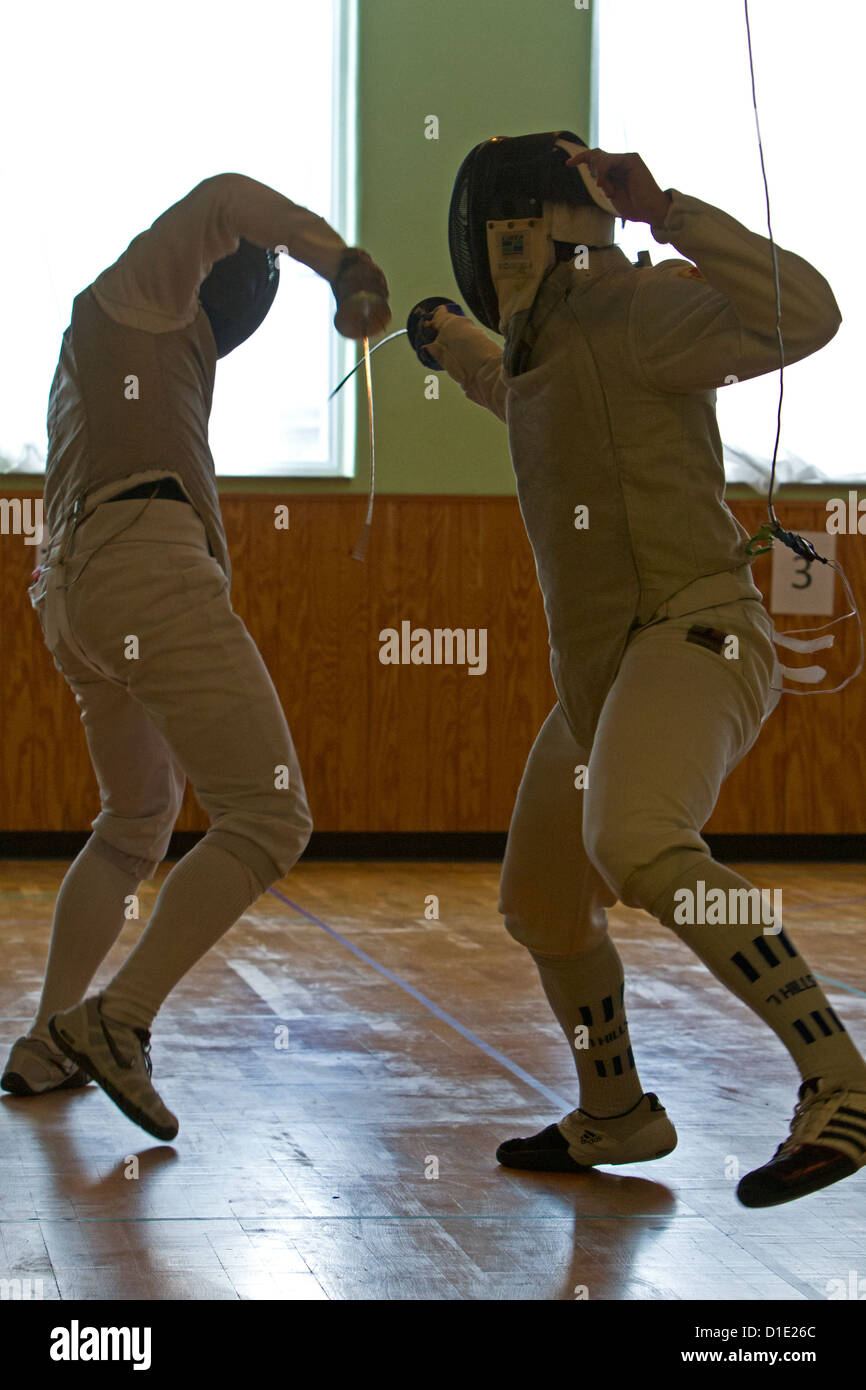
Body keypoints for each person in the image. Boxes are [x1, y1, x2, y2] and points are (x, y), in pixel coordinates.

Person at [416, 134, 866, 1207]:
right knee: (540, 903)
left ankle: (838, 1079)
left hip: (695, 634)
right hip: (602, 675)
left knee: (634, 842)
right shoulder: (540, 345)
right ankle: (615, 1109)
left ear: (524, 229)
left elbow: (804, 314)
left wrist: (666, 210)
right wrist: (445, 337)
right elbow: (514, 388)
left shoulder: (642, 307)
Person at [1, 173, 390, 1142]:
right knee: (270, 813)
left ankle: (48, 1041)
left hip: (76, 596)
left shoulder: (132, 349)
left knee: (135, 820)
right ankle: (117, 1018)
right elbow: (223, 196)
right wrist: (338, 261)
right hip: (139, 570)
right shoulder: (139, 296)